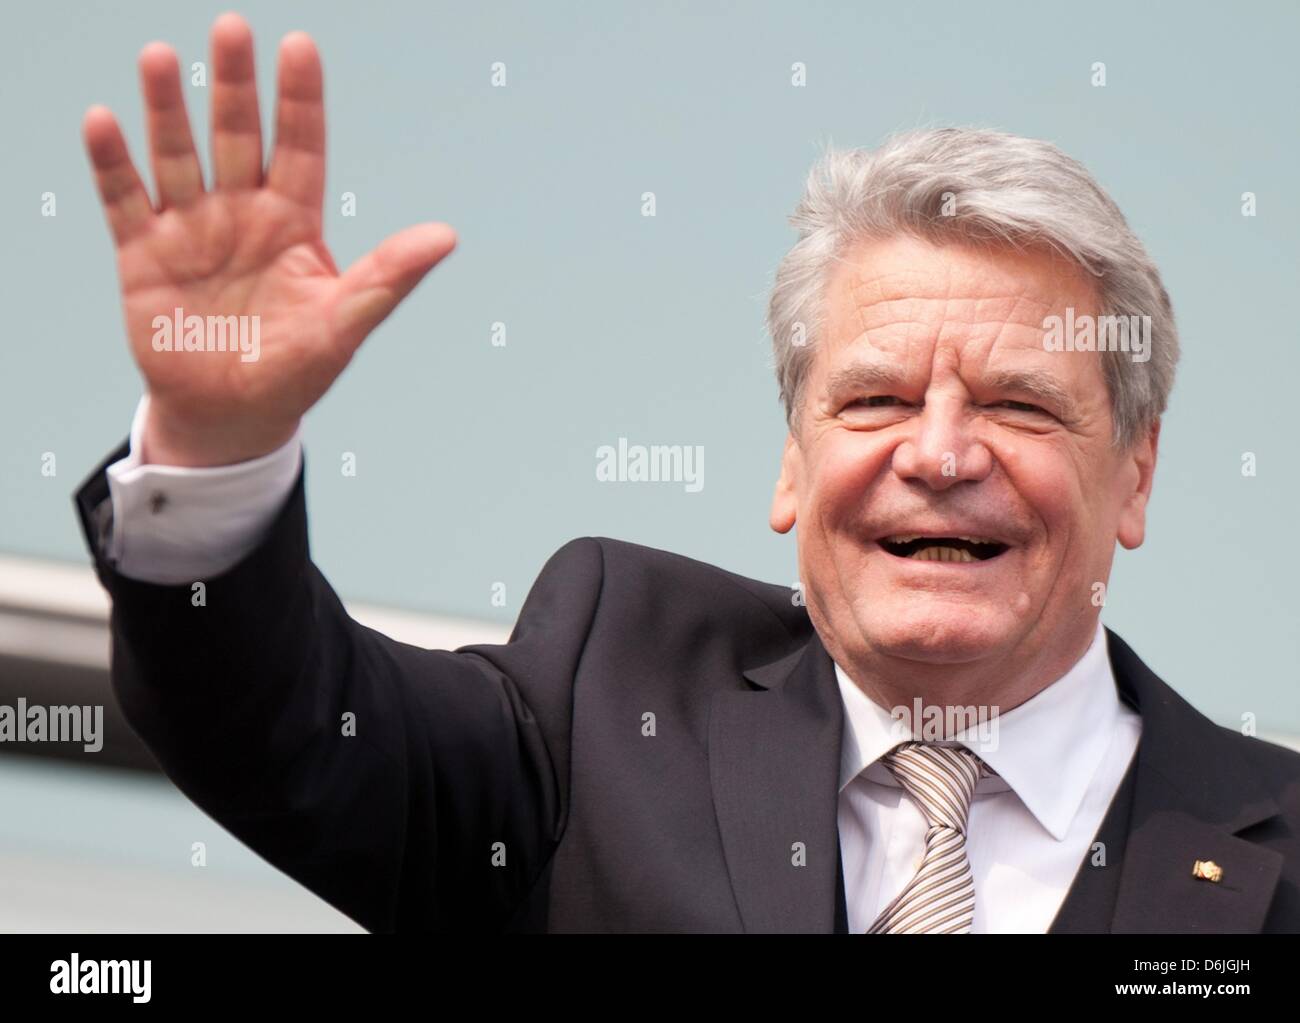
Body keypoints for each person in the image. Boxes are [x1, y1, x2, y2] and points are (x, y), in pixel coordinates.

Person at [74, 13, 1300, 932]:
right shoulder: (605, 702)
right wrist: (217, 451)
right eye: (871, 399)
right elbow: (279, 726)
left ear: (1134, 473)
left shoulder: (1274, 851)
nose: (936, 455)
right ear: (791, 459)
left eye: (1017, 405)